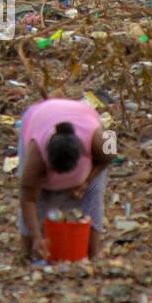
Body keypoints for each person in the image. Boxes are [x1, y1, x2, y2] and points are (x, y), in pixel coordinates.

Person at [16, 97, 112, 261]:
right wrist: (37, 237)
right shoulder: (37, 155)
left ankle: (94, 251)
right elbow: (28, 198)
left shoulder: (96, 139)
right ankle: (28, 248)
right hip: (38, 117)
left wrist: (87, 181)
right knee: (40, 202)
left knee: (94, 192)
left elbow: (110, 156)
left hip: (82, 115)